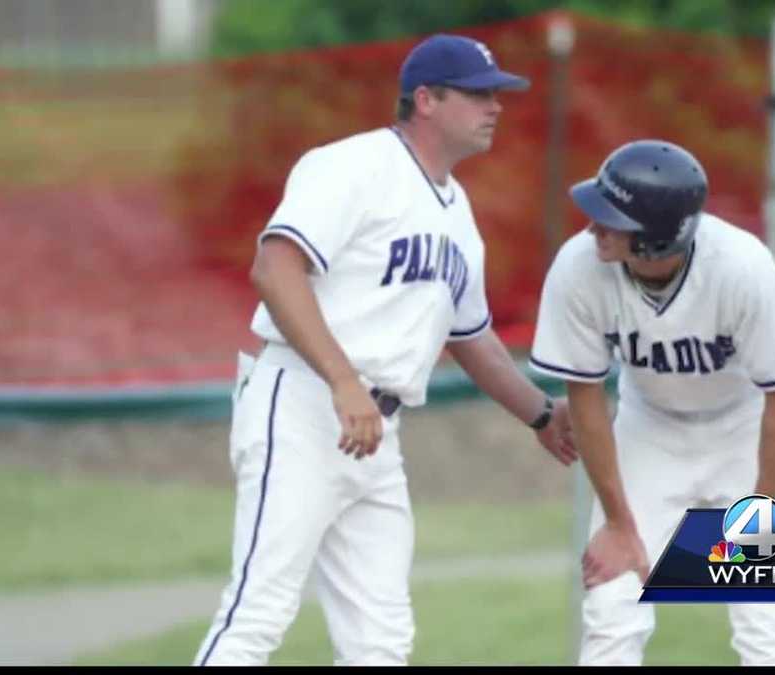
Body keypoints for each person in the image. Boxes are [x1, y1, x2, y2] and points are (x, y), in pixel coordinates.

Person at [194, 34, 578, 667]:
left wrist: (539, 412)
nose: (495, 106)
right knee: (256, 615)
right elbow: (275, 267)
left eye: (497, 94)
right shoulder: (353, 166)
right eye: (478, 93)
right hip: (305, 404)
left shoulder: (456, 210)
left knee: (381, 642)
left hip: (376, 431)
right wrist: (343, 381)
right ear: (426, 99)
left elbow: (471, 337)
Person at [529, 140, 775, 666]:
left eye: (612, 221)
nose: (593, 228)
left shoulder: (742, 267)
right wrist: (619, 525)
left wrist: (763, 510)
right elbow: (586, 399)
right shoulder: (578, 267)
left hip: (747, 426)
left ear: (657, 239)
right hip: (649, 426)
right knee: (611, 600)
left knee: (762, 611)